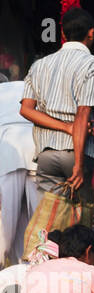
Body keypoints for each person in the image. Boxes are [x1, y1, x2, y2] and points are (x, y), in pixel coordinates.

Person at [19, 7, 94, 210]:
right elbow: (83, 112)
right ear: (91, 33)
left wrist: (66, 127)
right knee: (80, 221)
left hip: (46, 154)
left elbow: (26, 110)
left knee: (50, 219)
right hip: (76, 152)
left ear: (62, 33)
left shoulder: (39, 65)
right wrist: (78, 163)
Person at [0, 80, 39, 267]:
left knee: (6, 219)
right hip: (36, 149)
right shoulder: (28, 88)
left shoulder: (6, 91)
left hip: (8, 154)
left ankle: (11, 265)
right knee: (34, 218)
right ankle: (29, 267)